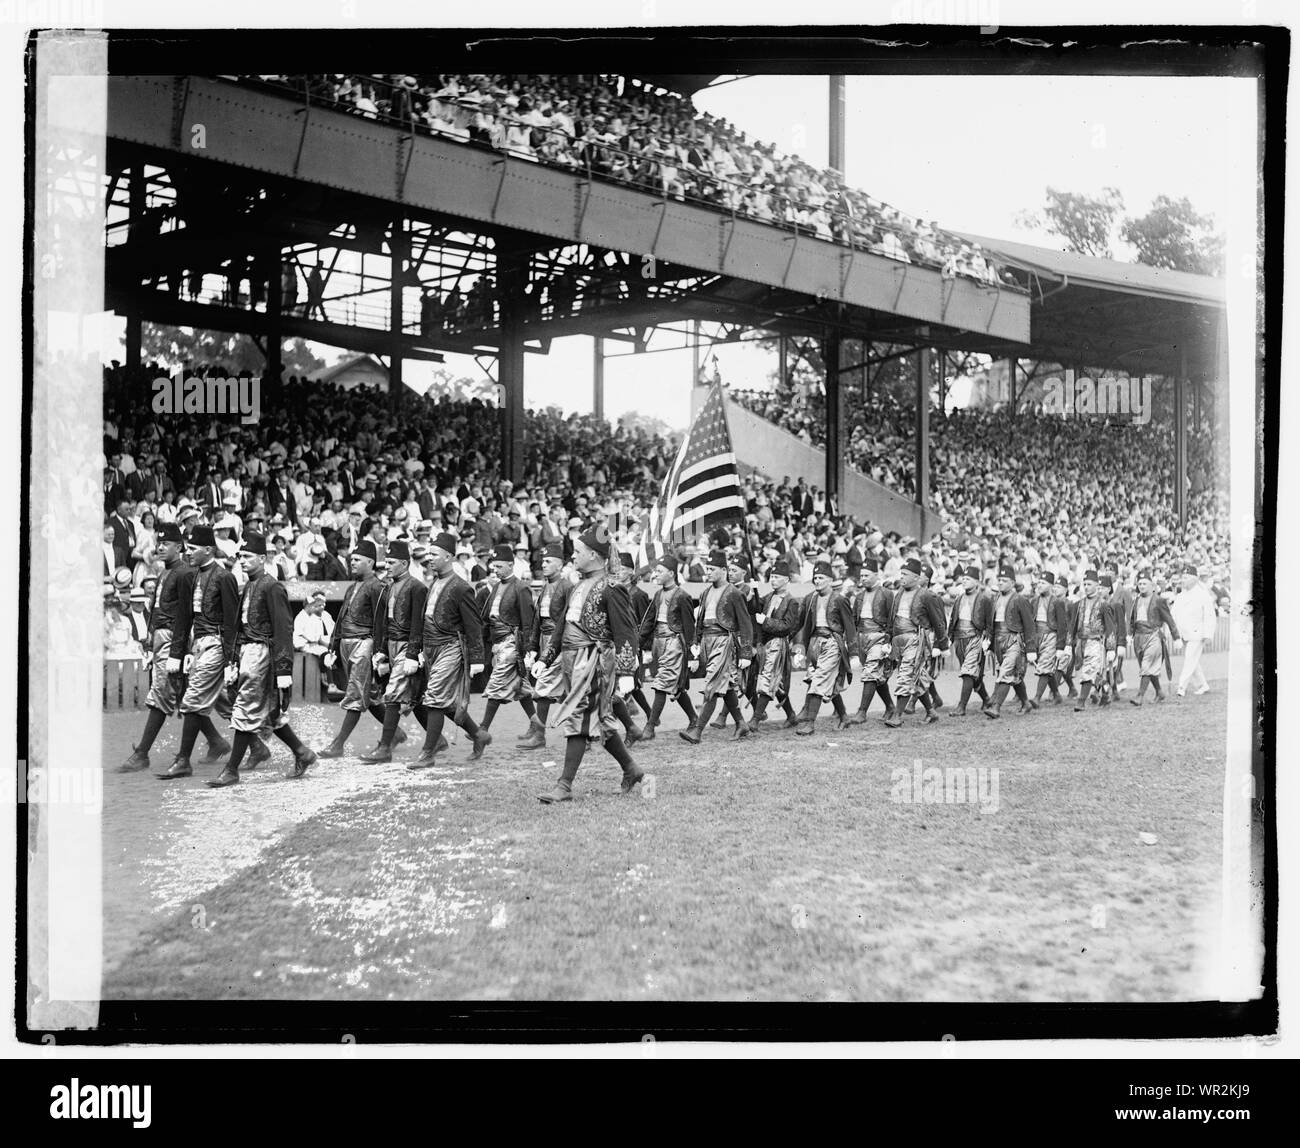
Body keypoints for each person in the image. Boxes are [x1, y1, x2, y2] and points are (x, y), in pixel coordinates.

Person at [533, 527, 643, 803]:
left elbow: (626, 631)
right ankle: (631, 768)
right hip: (572, 660)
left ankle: (564, 785)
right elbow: (563, 624)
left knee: (579, 716)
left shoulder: (613, 588)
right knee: (602, 721)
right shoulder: (577, 584)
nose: (572, 555)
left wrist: (627, 671)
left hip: (593, 661)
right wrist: (546, 657)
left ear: (593, 554)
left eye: (577, 551)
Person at [208, 532, 318, 787]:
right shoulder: (248, 586)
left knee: (245, 708)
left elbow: (283, 629)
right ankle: (302, 752)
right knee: (269, 713)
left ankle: (231, 769)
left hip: (263, 655)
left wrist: (283, 669)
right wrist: (233, 661)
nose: (242, 561)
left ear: (261, 558)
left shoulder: (272, 586)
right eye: (239, 557)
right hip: (249, 653)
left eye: (247, 557)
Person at [119, 522, 229, 772]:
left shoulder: (184, 573)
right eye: (158, 543)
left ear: (179, 547)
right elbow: (158, 610)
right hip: (162, 638)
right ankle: (218, 741)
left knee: (162, 694)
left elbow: (184, 614)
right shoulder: (165, 571)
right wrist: (150, 644)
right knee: (185, 695)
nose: (160, 547)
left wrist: (180, 650)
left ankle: (142, 754)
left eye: (166, 543)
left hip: (173, 639)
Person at [157, 525, 240, 779]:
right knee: (221, 702)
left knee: (192, 699)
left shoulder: (224, 577)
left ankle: (183, 760)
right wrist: (176, 653)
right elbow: (183, 617)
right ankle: (262, 746)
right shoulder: (189, 577)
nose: (188, 553)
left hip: (216, 642)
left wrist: (231, 659)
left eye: (193, 549)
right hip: (198, 644)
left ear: (208, 549)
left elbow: (231, 623)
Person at [406, 533, 490, 769]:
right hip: (432, 649)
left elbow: (474, 626)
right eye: (429, 554)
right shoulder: (433, 583)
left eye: (434, 554)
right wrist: (419, 650)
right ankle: (479, 735)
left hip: (451, 647)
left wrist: (476, 659)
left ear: (449, 557)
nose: (429, 558)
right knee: (445, 702)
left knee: (433, 698)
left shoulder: (461, 588)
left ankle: (427, 753)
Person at [320, 540, 393, 757]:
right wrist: (333, 645)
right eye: (351, 559)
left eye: (357, 560)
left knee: (355, 692)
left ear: (370, 562)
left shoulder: (377, 586)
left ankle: (338, 744)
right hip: (346, 642)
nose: (352, 562)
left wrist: (380, 650)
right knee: (367, 694)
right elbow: (341, 617)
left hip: (364, 642)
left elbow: (381, 622)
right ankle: (396, 733)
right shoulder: (352, 586)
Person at [360, 539, 430, 762]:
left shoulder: (417, 587)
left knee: (392, 695)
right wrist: (380, 650)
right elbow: (381, 623)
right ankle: (443, 739)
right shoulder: (387, 587)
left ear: (404, 563)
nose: (386, 566)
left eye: (391, 562)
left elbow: (418, 623)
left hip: (407, 647)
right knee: (412, 698)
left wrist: (413, 653)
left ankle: (385, 749)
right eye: (385, 562)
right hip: (390, 646)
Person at [679, 549, 754, 744]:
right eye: (707, 568)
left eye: (713, 568)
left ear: (723, 570)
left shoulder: (734, 593)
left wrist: (746, 652)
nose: (708, 572)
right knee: (726, 686)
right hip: (707, 642)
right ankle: (741, 724)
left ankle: (697, 731)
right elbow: (699, 622)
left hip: (724, 641)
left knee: (712, 684)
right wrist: (695, 646)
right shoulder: (704, 593)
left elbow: (745, 624)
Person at [472, 542, 538, 748]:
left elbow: (528, 622)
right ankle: (538, 726)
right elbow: (486, 618)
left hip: (513, 643)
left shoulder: (521, 588)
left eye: (500, 566)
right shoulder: (495, 588)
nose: (496, 570)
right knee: (521, 690)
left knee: (495, 685)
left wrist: (528, 650)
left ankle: (482, 729)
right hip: (497, 643)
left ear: (511, 565)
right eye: (494, 567)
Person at [791, 559, 859, 734]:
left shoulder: (839, 600)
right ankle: (844, 716)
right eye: (815, 577)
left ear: (830, 579)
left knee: (819, 680)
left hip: (832, 643)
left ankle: (810, 724)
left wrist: (854, 653)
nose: (817, 581)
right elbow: (800, 625)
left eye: (821, 577)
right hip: (814, 643)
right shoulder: (809, 599)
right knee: (825, 681)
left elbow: (850, 627)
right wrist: (799, 648)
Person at [884, 557, 950, 726]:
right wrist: (888, 639)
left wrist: (942, 645)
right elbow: (893, 618)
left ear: (916, 577)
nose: (902, 577)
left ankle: (897, 716)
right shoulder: (899, 593)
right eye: (901, 574)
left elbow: (939, 622)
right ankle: (931, 711)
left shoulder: (927, 595)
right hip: (900, 641)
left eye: (906, 574)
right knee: (917, 678)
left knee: (905, 676)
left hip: (917, 640)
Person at [639, 554, 698, 739]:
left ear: (671, 573)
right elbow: (648, 622)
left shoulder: (683, 596)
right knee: (676, 687)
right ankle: (694, 718)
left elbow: (690, 627)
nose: (655, 574)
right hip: (658, 643)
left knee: (661, 684)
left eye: (659, 571)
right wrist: (636, 644)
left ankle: (650, 727)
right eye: (655, 570)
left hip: (674, 643)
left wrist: (692, 653)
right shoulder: (657, 595)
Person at [519, 541, 570, 750]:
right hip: (545, 642)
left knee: (543, 688)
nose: (543, 564)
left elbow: (566, 620)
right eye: (543, 561)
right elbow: (537, 621)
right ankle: (595, 732)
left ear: (559, 565)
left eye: (549, 561)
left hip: (561, 645)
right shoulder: (545, 587)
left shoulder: (567, 586)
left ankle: (539, 736)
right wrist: (532, 647)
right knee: (571, 692)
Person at [843, 556, 896, 723]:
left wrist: (889, 640)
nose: (863, 578)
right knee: (876, 677)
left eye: (867, 575)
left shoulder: (887, 594)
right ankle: (890, 706)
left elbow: (892, 619)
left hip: (879, 637)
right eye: (862, 575)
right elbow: (852, 620)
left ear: (876, 575)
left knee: (871, 674)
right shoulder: (858, 596)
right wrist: (850, 640)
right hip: (862, 638)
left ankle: (862, 712)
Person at [750, 558, 802, 728]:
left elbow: (787, 627)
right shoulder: (769, 597)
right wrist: (752, 594)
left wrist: (765, 621)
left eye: (777, 577)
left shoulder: (791, 601)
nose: (773, 580)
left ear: (786, 580)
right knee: (775, 682)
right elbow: (754, 608)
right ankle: (791, 715)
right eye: (771, 576)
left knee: (767, 679)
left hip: (779, 644)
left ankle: (755, 720)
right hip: (766, 643)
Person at [982, 564, 1038, 720]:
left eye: (1004, 580)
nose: (1000, 582)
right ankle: (1026, 703)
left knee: (1006, 672)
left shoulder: (1020, 600)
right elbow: (991, 623)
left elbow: (1029, 625)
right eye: (999, 579)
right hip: (998, 641)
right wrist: (988, 640)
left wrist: (1031, 648)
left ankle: (996, 707)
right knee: (1010, 674)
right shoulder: (995, 599)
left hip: (1014, 640)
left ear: (1013, 583)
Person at [1068, 570, 1119, 712]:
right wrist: (1068, 644)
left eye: (1089, 584)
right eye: (1084, 584)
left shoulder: (1104, 604)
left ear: (1096, 585)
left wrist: (1110, 648)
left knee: (1089, 670)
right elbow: (1072, 625)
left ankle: (1081, 701)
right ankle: (1105, 692)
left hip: (1096, 642)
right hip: (1081, 642)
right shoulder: (1078, 604)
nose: (1086, 586)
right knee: (1096, 673)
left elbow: (1110, 628)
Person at [945, 564, 992, 718]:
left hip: (975, 638)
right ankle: (986, 699)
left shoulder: (984, 599)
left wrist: (988, 639)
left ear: (977, 581)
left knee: (968, 672)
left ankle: (961, 706)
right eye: (963, 579)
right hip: (960, 639)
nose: (964, 581)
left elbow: (989, 622)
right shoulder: (959, 599)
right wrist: (949, 638)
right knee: (973, 675)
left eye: (968, 579)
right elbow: (953, 620)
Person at [1128, 571, 1181, 706]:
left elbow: (1169, 619)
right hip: (1139, 637)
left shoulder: (1159, 601)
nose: (1142, 586)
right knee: (1148, 669)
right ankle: (1159, 692)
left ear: (1152, 585)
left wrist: (1176, 637)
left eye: (1144, 583)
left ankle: (1140, 696)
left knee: (1147, 666)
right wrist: (1129, 634)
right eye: (1139, 583)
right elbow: (1132, 620)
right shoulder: (1136, 600)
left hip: (1153, 636)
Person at [1172, 563, 1217, 697]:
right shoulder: (1180, 596)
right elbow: (1173, 614)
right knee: (1193, 661)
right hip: (1184, 633)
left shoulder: (1202, 595)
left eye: (1186, 578)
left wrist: (1208, 634)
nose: (1183, 580)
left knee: (1189, 658)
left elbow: (1210, 616)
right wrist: (1175, 634)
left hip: (1198, 634)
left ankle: (1181, 687)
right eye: (1183, 577)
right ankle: (1203, 685)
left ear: (1194, 579)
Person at [1030, 571, 1070, 708]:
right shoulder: (1034, 601)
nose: (1039, 585)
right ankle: (1057, 695)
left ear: (1051, 586)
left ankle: (1036, 698)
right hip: (1037, 636)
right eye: (1039, 582)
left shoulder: (1057, 602)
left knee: (1045, 666)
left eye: (1043, 583)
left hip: (1051, 635)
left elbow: (1062, 626)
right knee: (1048, 670)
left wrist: (1060, 646)